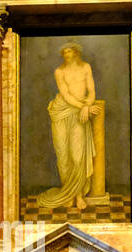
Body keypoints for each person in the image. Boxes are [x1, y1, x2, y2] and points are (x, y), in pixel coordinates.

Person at [36, 41, 99, 211]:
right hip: (61, 112)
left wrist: (86, 105)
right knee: (63, 155)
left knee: (77, 156)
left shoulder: (86, 67)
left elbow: (91, 91)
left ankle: (78, 195)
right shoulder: (59, 71)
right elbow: (65, 93)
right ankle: (69, 194)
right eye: (64, 52)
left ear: (77, 53)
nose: (66, 55)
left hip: (79, 113)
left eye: (69, 51)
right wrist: (84, 106)